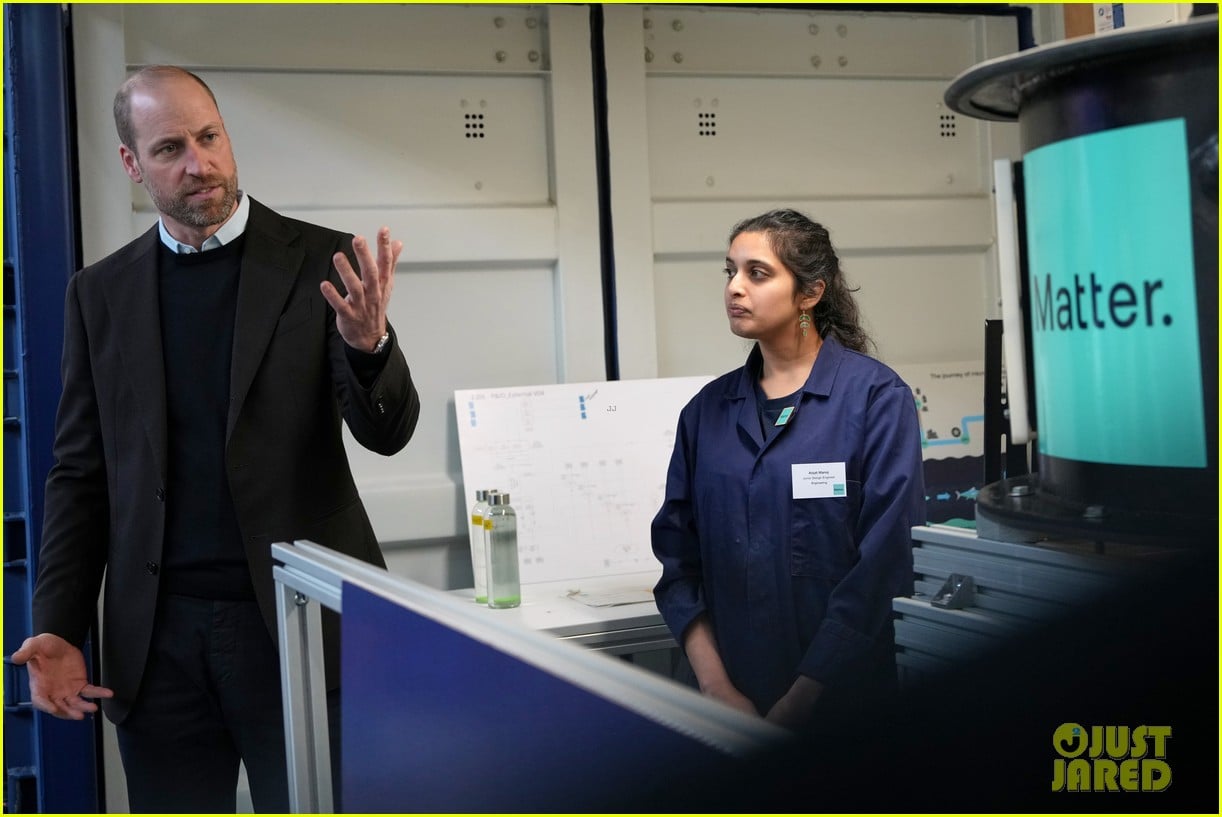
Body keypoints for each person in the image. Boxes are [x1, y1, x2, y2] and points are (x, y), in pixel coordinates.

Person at [11, 65, 421, 811]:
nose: (199, 164)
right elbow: (79, 474)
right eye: (170, 148)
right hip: (157, 644)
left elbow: (388, 433)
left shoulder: (321, 264)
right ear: (133, 165)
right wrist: (60, 626)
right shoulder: (99, 293)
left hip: (297, 630)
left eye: (209, 137)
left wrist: (372, 349)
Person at [651, 208, 925, 732]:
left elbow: (885, 566)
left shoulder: (875, 401)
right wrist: (716, 689)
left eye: (757, 273)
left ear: (810, 294)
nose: (734, 288)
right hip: (720, 706)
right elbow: (679, 567)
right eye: (730, 270)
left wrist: (802, 701)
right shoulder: (705, 413)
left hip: (840, 706)